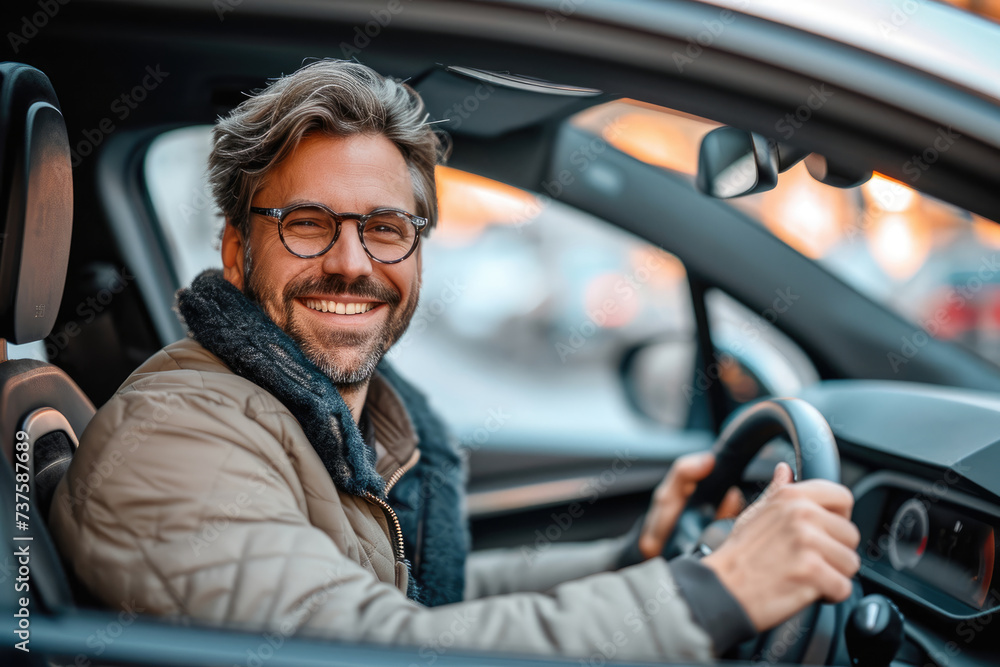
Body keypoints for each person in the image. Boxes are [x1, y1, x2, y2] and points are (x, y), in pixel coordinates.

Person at [49, 59, 860, 663]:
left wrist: (639, 559)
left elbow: (431, 602)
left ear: (418, 251)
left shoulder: (337, 422)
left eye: (387, 228)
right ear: (236, 249)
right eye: (307, 223)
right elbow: (383, 651)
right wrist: (714, 592)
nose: (352, 263)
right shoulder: (176, 439)